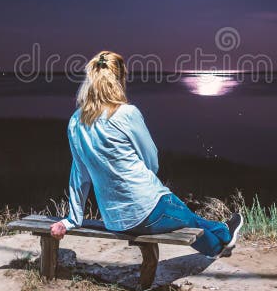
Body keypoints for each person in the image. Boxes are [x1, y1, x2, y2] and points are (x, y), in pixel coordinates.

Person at [49, 50, 243, 258]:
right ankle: (220, 240)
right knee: (186, 217)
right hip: (147, 209)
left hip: (115, 221)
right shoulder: (126, 113)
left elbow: (79, 175)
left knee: (185, 215)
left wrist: (72, 219)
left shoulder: (75, 121)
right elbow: (152, 159)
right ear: (119, 79)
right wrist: (144, 182)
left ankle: (223, 234)